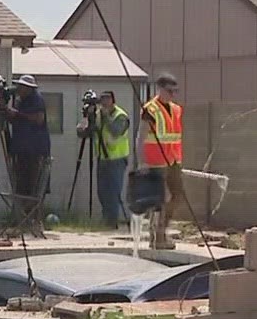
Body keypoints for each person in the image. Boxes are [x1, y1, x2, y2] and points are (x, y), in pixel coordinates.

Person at [140, 72, 184, 248]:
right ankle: (157, 237)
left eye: (175, 91)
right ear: (159, 89)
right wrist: (141, 162)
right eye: (169, 91)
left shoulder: (176, 109)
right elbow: (140, 137)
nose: (172, 95)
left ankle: (161, 231)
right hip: (155, 160)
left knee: (177, 196)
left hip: (173, 159)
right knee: (160, 199)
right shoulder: (150, 109)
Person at [78, 90, 132, 226]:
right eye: (102, 99)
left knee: (113, 192)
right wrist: (87, 119)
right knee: (102, 192)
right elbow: (85, 133)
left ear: (113, 100)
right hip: (102, 158)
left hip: (117, 159)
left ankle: (112, 221)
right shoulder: (98, 115)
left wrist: (106, 116)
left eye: (107, 99)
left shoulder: (121, 116)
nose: (104, 102)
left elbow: (115, 131)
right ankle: (106, 218)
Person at [2, 74, 50, 227]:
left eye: (21, 87)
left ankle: (34, 220)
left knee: (33, 185)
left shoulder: (37, 99)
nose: (18, 89)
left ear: (29, 88)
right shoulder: (19, 101)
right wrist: (5, 111)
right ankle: (22, 219)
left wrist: (17, 114)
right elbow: (15, 119)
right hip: (21, 148)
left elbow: (39, 118)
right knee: (21, 185)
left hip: (34, 149)